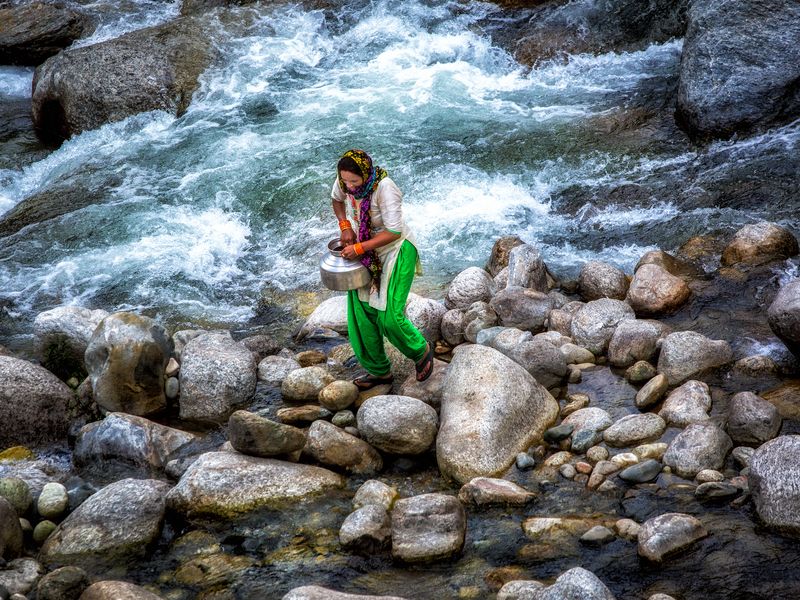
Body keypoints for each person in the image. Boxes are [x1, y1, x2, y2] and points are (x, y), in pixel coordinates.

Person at [331, 148, 434, 389]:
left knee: (389, 316)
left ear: (366, 175)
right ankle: (379, 371)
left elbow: (394, 232)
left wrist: (358, 249)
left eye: (354, 181)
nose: (350, 187)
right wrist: (345, 226)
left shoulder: (386, 188)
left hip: (395, 249)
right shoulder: (344, 181)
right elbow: (337, 200)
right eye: (345, 181)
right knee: (362, 313)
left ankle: (421, 351)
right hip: (368, 248)